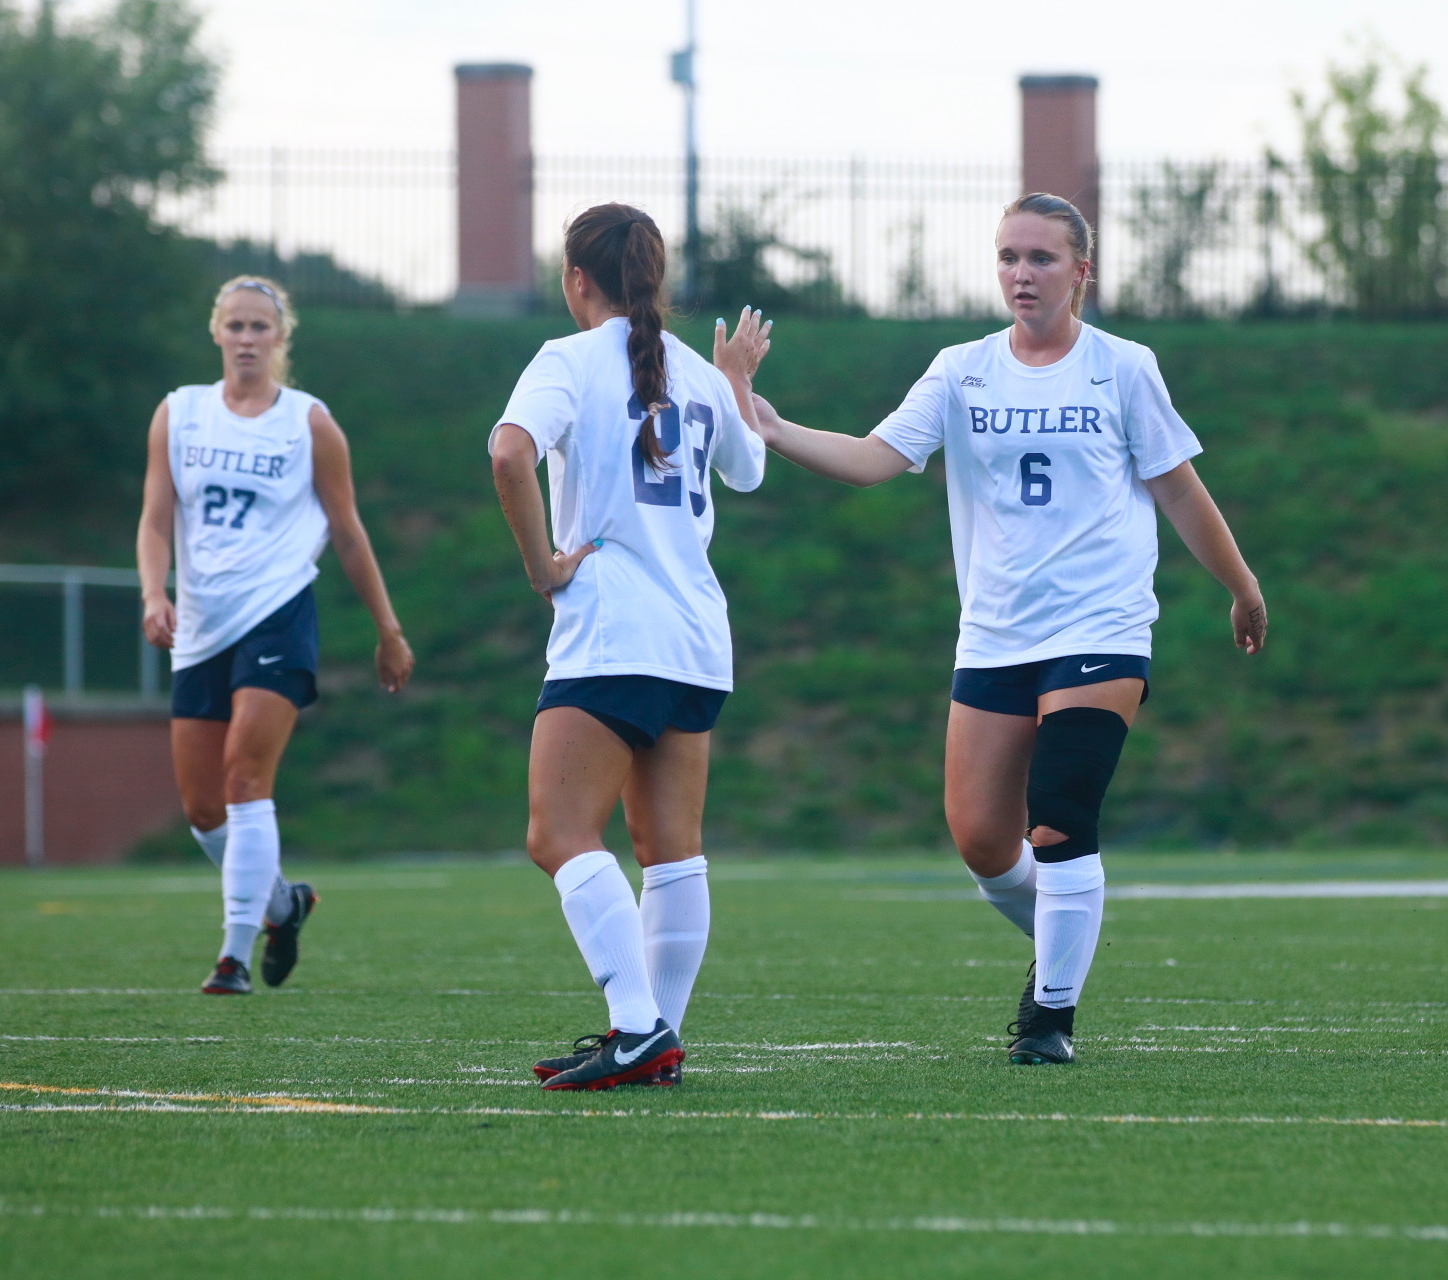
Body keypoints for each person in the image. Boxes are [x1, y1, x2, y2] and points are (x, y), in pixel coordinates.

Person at [748, 193, 1267, 1065]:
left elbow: (1177, 487)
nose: (1021, 275)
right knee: (985, 842)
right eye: (1008, 258)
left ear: (1081, 272)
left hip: (1101, 625)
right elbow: (879, 459)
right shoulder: (962, 369)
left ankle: (1050, 1015)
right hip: (995, 635)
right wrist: (771, 425)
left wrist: (1242, 585)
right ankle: (1069, 926)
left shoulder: (1123, 367)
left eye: (1041, 259)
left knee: (1061, 816)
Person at [489, 204, 770, 1092]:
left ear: (577, 280)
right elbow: (751, 468)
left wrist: (543, 567)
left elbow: (508, 454)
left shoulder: (567, 358)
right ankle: (656, 1036)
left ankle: (641, 1026)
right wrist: (731, 384)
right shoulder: (692, 369)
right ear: (658, 281)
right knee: (671, 848)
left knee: (558, 833)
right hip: (696, 637)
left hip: (614, 633)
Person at [136, 275, 415, 996]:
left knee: (243, 776)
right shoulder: (180, 414)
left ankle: (232, 957)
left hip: (277, 613)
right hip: (201, 627)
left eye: (261, 326)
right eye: (235, 326)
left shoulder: (309, 422)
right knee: (202, 811)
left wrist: (388, 629)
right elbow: (156, 519)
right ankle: (284, 905)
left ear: (281, 337)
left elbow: (348, 534)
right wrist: (153, 592)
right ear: (216, 333)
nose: (247, 339)